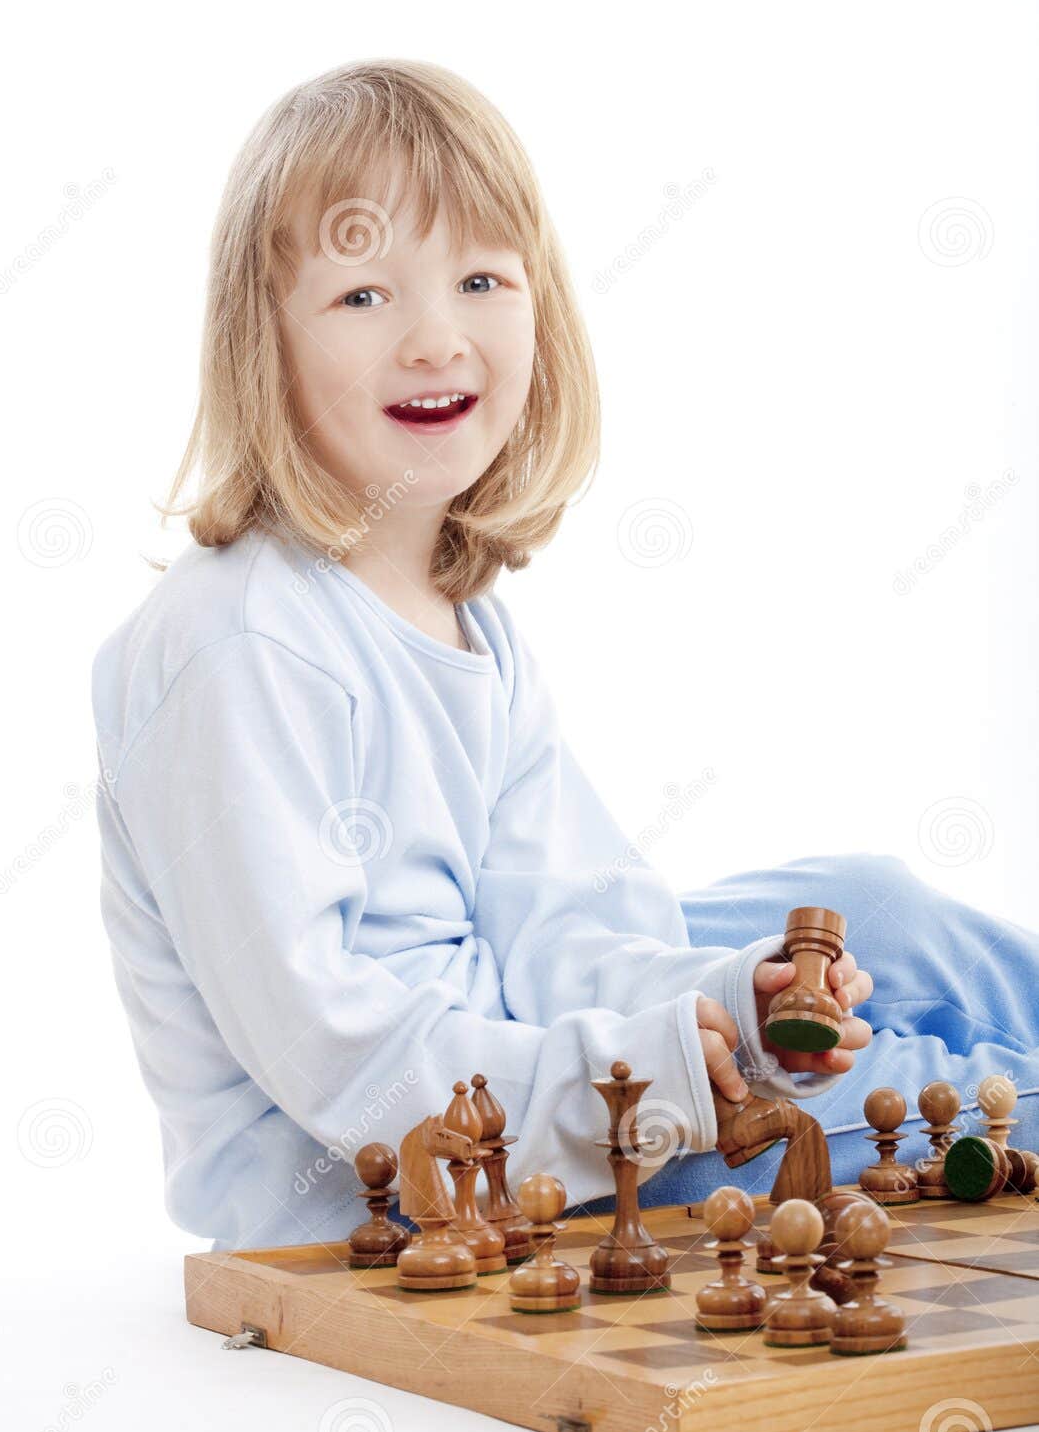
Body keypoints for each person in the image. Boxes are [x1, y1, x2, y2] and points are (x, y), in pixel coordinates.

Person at [91, 61, 1034, 1250]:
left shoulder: (462, 614)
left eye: (480, 280)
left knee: (873, 908)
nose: (435, 338)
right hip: (421, 1182)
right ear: (261, 343)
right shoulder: (237, 646)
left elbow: (559, 927)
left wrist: (724, 1003)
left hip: (527, 1054)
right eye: (362, 295)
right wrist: (652, 1079)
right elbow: (343, 1062)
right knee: (952, 1102)